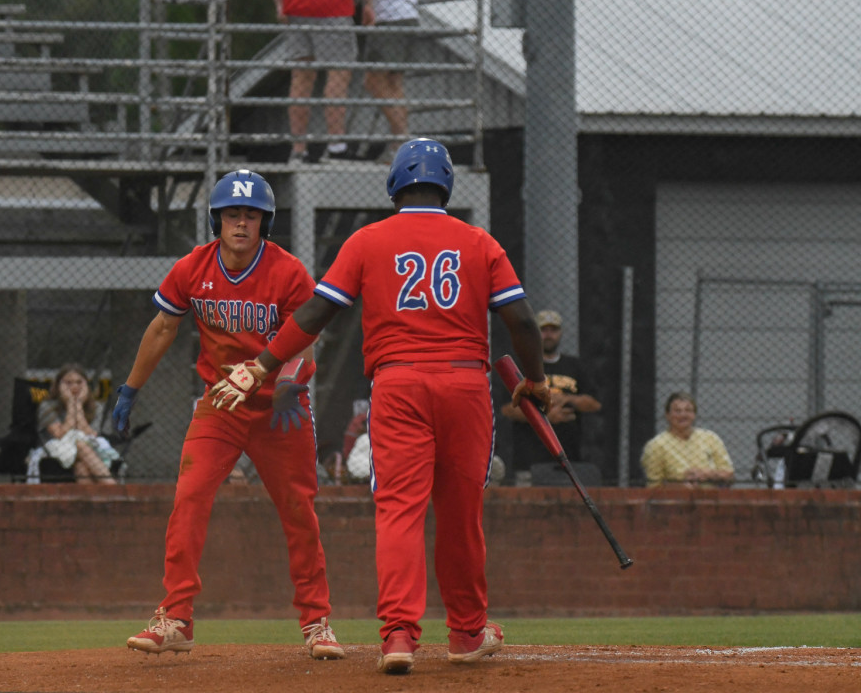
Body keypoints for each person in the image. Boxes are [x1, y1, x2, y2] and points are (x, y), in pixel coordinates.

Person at [209, 138, 551, 674]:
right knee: (461, 514)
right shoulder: (480, 242)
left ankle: (397, 635)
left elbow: (318, 312)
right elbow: (525, 323)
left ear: (395, 185)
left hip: (397, 386)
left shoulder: (367, 240)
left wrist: (260, 366)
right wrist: (535, 380)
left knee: (399, 510)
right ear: (446, 186)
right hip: (464, 385)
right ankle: (466, 633)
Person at [112, 168, 345, 660]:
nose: (242, 223)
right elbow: (161, 329)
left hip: (280, 407)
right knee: (190, 496)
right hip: (220, 404)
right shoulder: (192, 268)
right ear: (216, 219)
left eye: (252, 215)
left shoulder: (288, 272)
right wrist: (130, 388)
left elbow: (307, 338)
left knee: (298, 511)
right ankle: (176, 618)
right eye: (233, 214)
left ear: (266, 222)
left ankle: (317, 623)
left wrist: (284, 385)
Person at [262, 0, 372, 164]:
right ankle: (336, 145)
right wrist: (368, 1)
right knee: (338, 73)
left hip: (297, 6)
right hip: (332, 6)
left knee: (301, 77)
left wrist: (280, 0)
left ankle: (298, 149)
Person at [352, 0, 427, 162]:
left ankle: (402, 138)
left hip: (390, 16)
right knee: (394, 83)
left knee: (373, 80)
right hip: (408, 14)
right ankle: (398, 145)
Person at [501, 309, 602, 480]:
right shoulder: (522, 367)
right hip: (529, 457)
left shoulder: (575, 366)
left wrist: (568, 399)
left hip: (568, 456)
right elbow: (507, 409)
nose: (549, 335)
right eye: (543, 330)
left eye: (553, 330)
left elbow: (594, 404)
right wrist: (544, 416)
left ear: (560, 333)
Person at [36, 364, 118, 484]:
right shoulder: (47, 406)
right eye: (68, 383)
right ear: (58, 386)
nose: (74, 386)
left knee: (82, 468)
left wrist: (78, 404)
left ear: (86, 385)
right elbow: (60, 434)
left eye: (79, 382)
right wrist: (70, 404)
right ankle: (114, 489)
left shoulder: (96, 407)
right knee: (80, 445)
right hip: (57, 448)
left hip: (90, 451)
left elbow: (91, 434)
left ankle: (91, 502)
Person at [641, 392, 735, 487]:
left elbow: (729, 475)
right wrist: (679, 485)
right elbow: (653, 486)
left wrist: (705, 474)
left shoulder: (710, 438)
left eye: (688, 410)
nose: (683, 415)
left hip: (711, 498)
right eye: (677, 411)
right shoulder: (656, 445)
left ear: (694, 415)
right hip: (675, 500)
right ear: (667, 415)